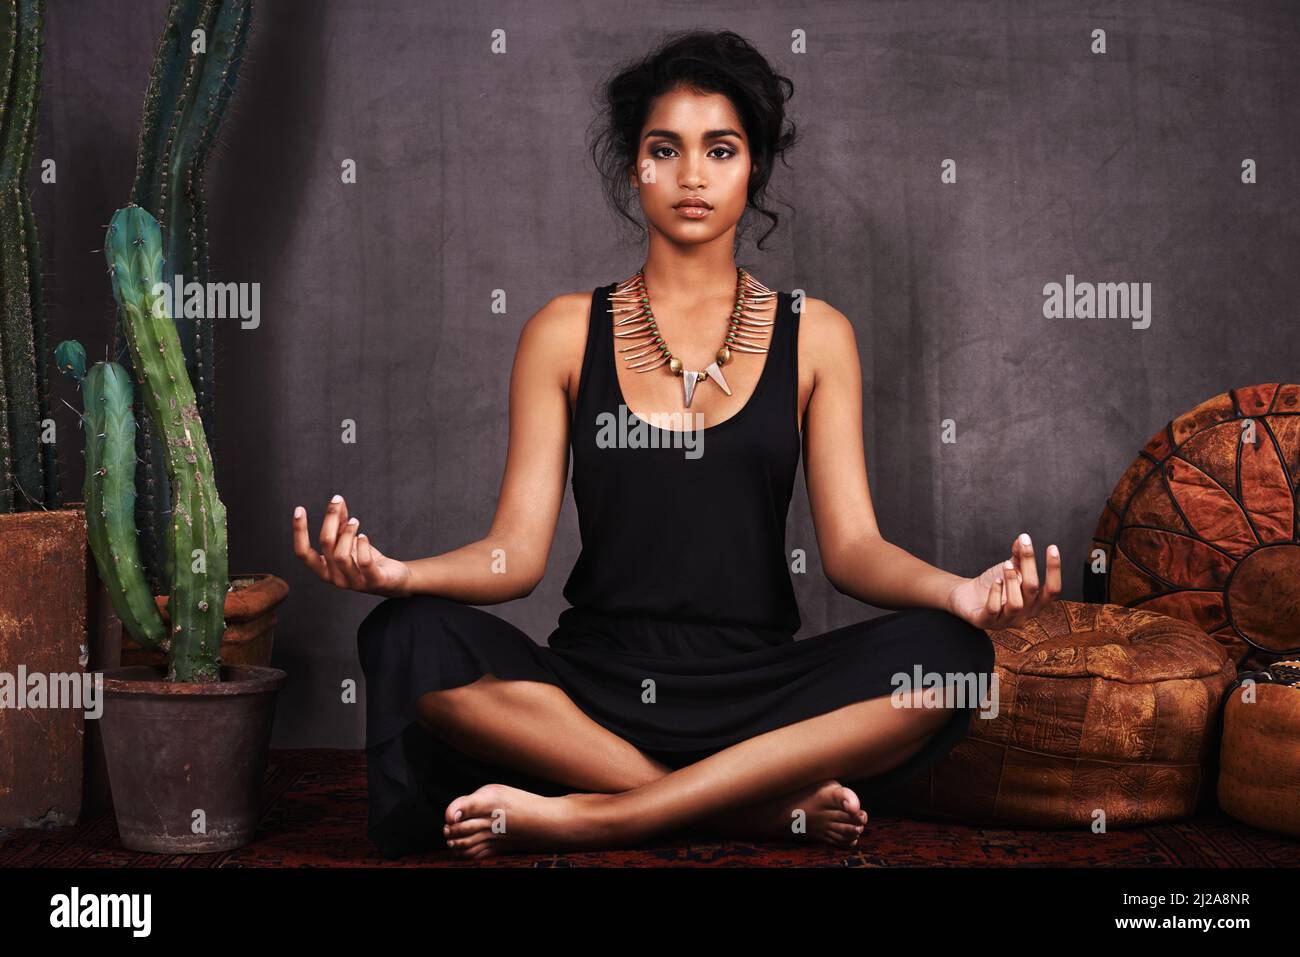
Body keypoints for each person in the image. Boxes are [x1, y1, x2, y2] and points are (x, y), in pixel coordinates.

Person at [291, 29, 1061, 860]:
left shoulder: (818, 337)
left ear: (753, 167)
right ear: (636, 168)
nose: (693, 175)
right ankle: (737, 807)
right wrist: (397, 574)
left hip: (763, 691)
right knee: (405, 635)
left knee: (951, 659)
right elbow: (512, 556)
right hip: (591, 694)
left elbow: (855, 549)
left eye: (721, 149)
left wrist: (960, 595)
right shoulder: (561, 332)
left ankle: (605, 812)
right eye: (667, 149)